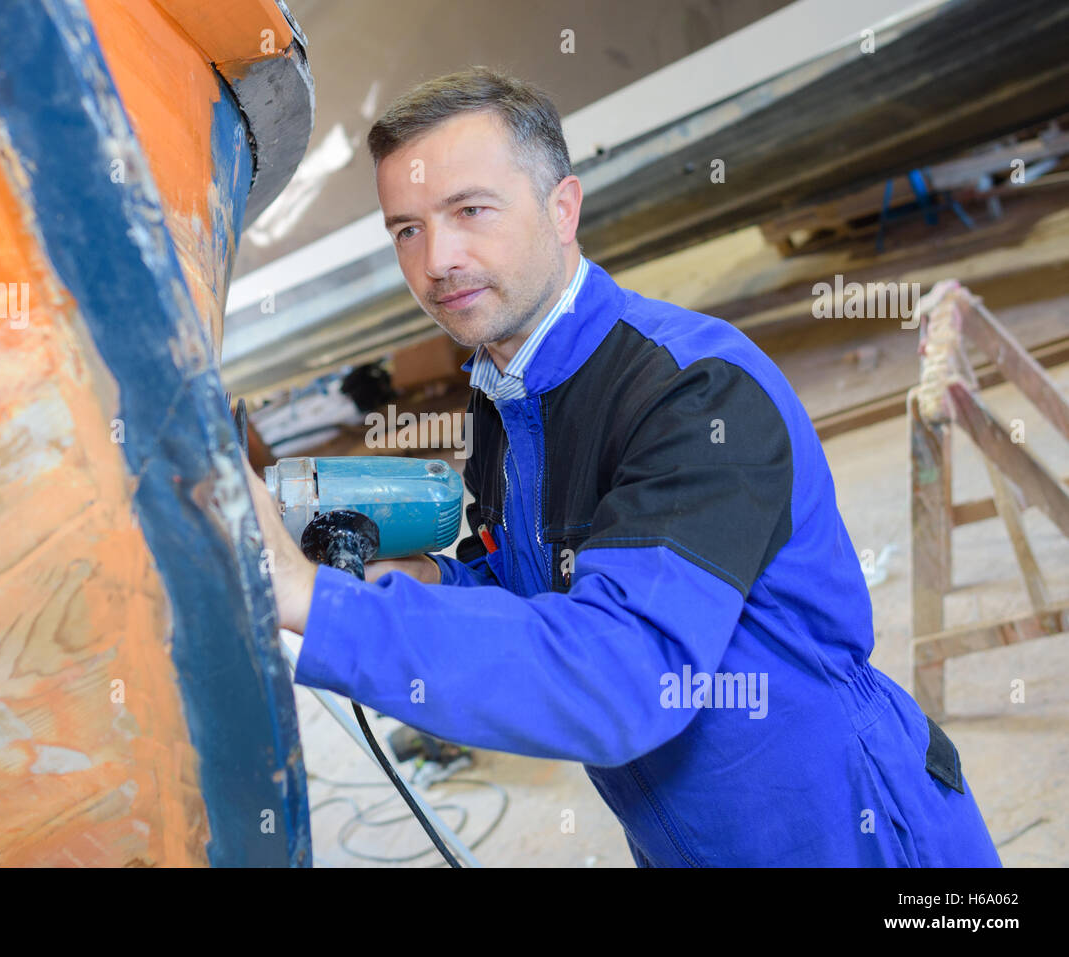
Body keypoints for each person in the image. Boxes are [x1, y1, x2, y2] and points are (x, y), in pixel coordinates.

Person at [242, 66, 1001, 867]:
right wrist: (384, 579)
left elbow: (624, 674)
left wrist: (314, 602)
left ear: (562, 208)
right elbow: (534, 591)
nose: (438, 260)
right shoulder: (503, 395)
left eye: (470, 210)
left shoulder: (697, 392)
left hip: (846, 830)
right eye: (407, 229)